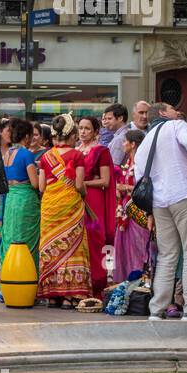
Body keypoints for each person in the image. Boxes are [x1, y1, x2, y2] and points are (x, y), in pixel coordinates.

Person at [136, 102, 187, 319]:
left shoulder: (144, 142)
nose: (177, 111)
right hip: (183, 194)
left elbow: (140, 180)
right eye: (172, 108)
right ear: (164, 113)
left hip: (158, 203)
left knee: (167, 256)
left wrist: (149, 213)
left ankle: (157, 309)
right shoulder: (176, 125)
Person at [36, 113, 92, 309]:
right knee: (73, 247)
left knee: (50, 247)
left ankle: (52, 295)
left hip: (50, 207)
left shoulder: (45, 157)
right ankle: (71, 294)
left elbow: (41, 187)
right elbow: (78, 185)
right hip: (71, 206)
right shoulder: (77, 155)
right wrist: (85, 193)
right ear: (72, 134)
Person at [75, 115, 115, 296]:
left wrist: (85, 184)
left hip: (94, 200)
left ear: (96, 131)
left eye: (87, 129)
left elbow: (105, 180)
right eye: (81, 128)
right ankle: (79, 283)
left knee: (95, 238)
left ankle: (97, 284)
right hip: (77, 199)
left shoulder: (101, 151)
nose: (83, 132)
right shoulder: (75, 150)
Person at [0, 117, 40, 280]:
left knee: (10, 237)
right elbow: (35, 184)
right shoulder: (26, 155)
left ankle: (7, 281)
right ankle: (27, 280)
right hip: (25, 199)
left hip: (10, 199)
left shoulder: (7, 153)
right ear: (27, 136)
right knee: (27, 241)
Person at [113, 128, 152, 283]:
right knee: (124, 245)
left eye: (125, 141)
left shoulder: (141, 163)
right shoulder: (128, 162)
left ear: (133, 144)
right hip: (125, 207)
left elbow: (144, 186)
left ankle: (140, 279)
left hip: (137, 207)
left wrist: (125, 188)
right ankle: (126, 280)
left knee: (138, 245)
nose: (123, 144)